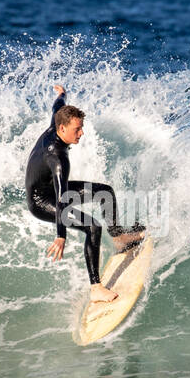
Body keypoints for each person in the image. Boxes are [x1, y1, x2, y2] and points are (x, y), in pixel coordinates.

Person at [25, 84, 144, 302]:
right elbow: (62, 199)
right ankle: (96, 288)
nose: (81, 133)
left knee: (105, 193)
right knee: (92, 226)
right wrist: (61, 235)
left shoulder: (58, 120)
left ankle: (119, 237)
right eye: (77, 130)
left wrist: (61, 94)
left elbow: (57, 106)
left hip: (50, 188)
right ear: (62, 129)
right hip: (41, 201)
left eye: (81, 128)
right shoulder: (58, 157)